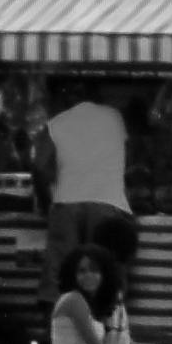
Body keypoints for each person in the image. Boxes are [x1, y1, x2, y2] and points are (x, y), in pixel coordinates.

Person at [44, 80, 132, 287]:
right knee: (105, 270)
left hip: (66, 203)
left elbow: (40, 165)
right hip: (108, 203)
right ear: (97, 97)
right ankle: (105, 315)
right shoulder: (115, 117)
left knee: (60, 273)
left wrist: (45, 198)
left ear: (69, 99)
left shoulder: (56, 122)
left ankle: (57, 315)